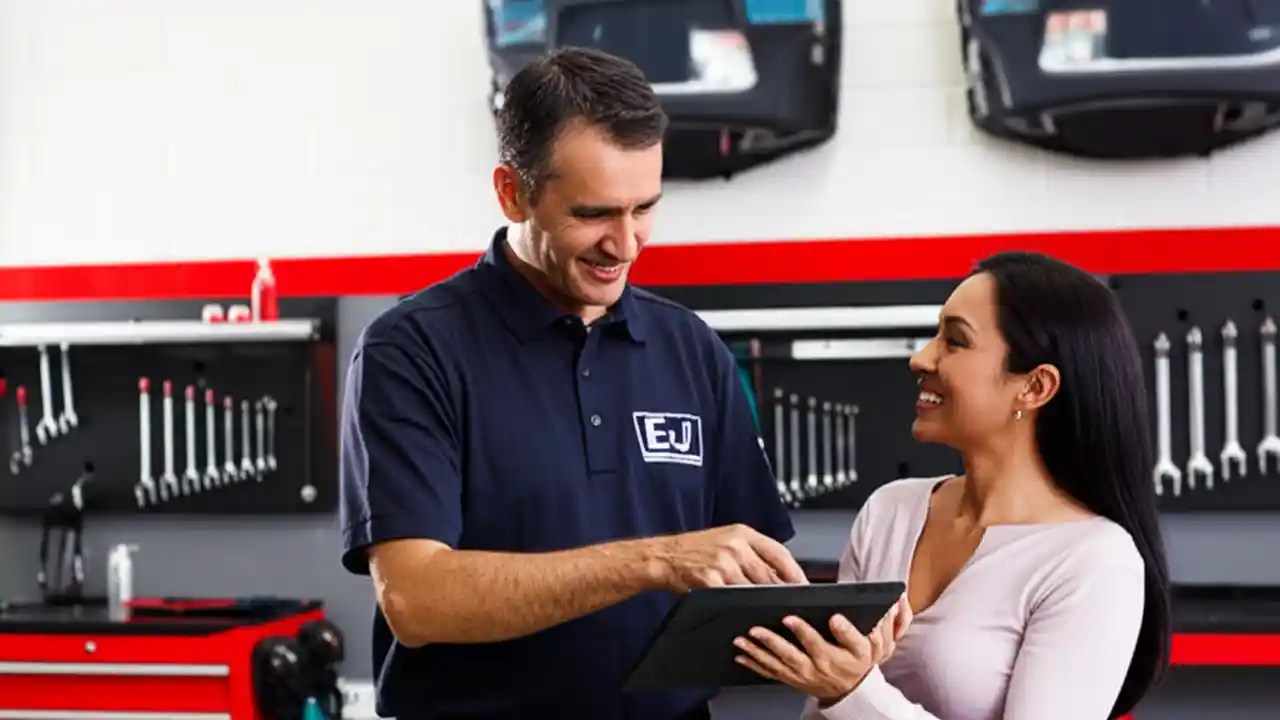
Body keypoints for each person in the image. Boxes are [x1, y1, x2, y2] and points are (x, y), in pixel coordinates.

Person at [337, 46, 804, 720]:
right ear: (513, 192)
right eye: (593, 214)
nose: (627, 243)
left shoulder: (689, 347)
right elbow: (418, 599)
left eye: (644, 207)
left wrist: (849, 624)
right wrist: (651, 561)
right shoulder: (411, 352)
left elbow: (750, 572)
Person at [731, 252, 1172, 719]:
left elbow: (845, 698)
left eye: (955, 341)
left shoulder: (1093, 558)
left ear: (1035, 387)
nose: (921, 358)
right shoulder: (889, 512)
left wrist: (855, 691)